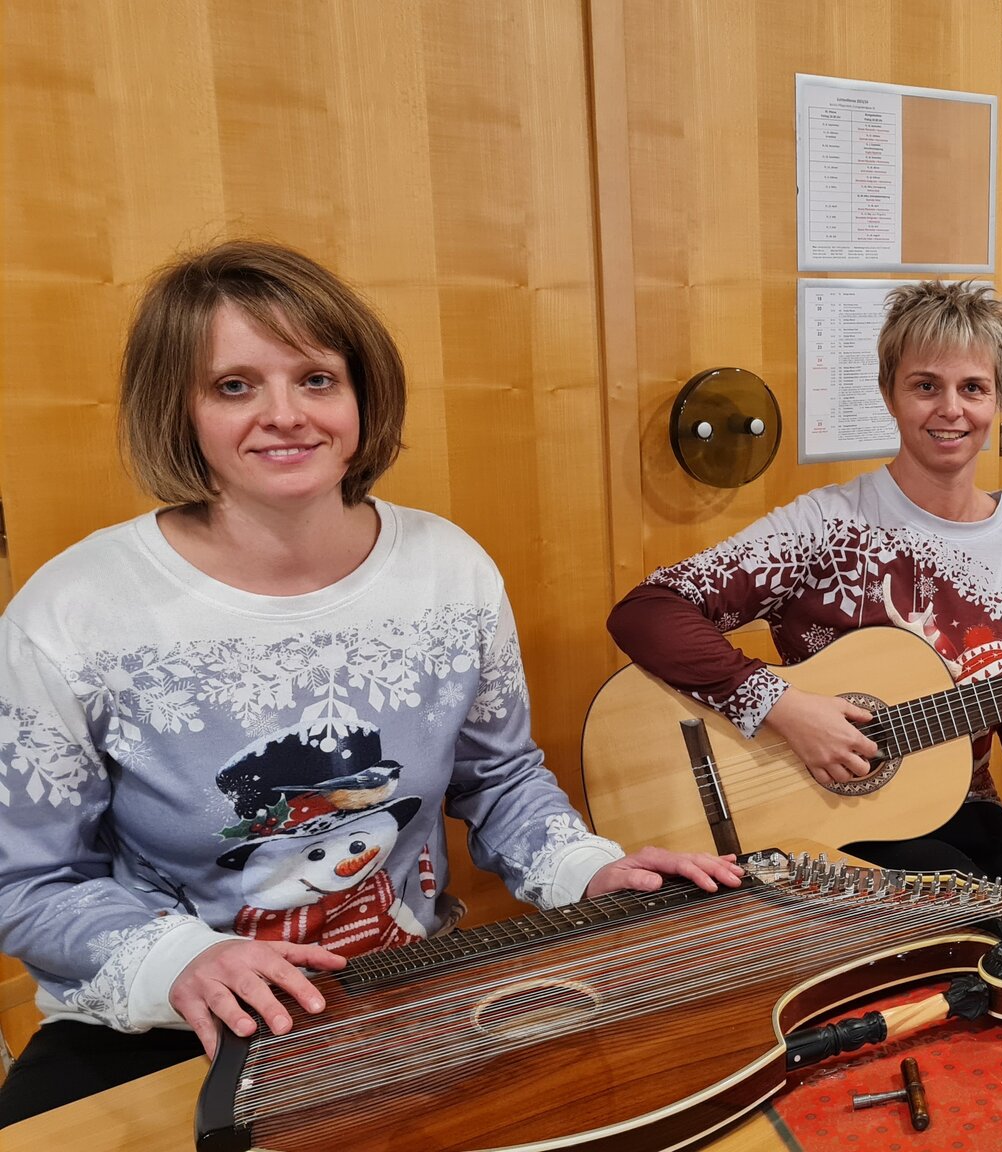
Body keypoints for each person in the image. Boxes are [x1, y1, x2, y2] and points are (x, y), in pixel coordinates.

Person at [0, 240, 743, 1126]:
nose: (285, 415)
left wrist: (591, 871)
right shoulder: (73, 612)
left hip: (400, 999)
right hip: (167, 1022)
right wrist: (184, 962)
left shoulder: (449, 570)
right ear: (180, 408)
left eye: (316, 378)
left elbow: (499, 782)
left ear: (361, 394)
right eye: (234, 386)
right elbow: (28, 884)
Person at [607, 280, 1002, 882]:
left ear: (998, 401)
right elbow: (647, 611)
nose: (951, 409)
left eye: (973, 388)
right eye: (925, 386)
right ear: (889, 394)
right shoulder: (827, 524)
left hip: (955, 815)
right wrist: (783, 707)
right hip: (813, 823)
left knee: (976, 904)